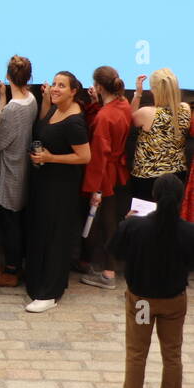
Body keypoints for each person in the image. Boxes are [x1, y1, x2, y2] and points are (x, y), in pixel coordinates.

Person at [111, 174, 192, 388]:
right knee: (172, 355)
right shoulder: (188, 231)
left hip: (143, 301)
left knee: (137, 354)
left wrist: (126, 224)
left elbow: (115, 251)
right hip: (173, 301)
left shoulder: (136, 227)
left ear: (154, 197)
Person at [24, 72, 92, 313]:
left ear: (73, 91)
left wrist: (51, 157)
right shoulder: (55, 108)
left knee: (56, 236)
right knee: (42, 231)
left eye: (61, 86)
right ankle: (38, 281)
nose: (55, 88)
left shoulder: (74, 121)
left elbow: (85, 156)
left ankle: (50, 292)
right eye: (54, 84)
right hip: (45, 183)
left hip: (61, 188)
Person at [79, 66, 132, 290]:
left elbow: (99, 156)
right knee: (112, 219)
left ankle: (108, 272)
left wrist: (96, 189)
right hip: (119, 172)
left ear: (99, 86)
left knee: (105, 222)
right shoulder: (123, 105)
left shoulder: (104, 116)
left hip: (106, 174)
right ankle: (106, 268)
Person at [0, 56, 38, 287]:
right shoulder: (31, 99)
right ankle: (14, 264)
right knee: (16, 221)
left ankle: (11, 268)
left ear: (8, 76)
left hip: (10, 171)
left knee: (9, 222)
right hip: (22, 167)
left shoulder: (12, 109)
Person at [129, 68, 190, 203]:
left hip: (147, 177)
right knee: (170, 217)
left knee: (144, 220)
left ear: (155, 90)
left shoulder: (146, 113)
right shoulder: (186, 108)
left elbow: (128, 120)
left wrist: (138, 94)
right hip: (177, 175)